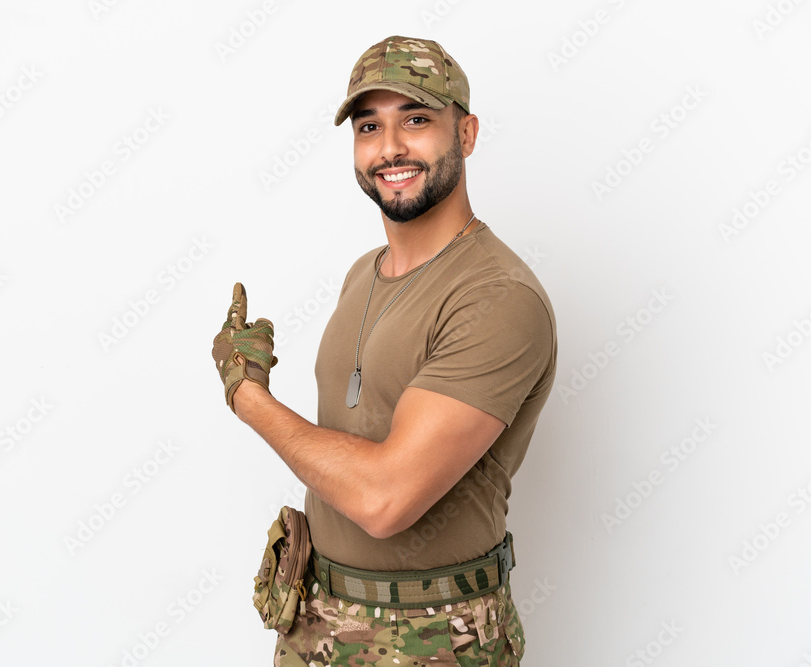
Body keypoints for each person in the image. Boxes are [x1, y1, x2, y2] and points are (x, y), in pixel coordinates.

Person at [213, 35, 557, 666]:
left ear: (468, 133)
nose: (390, 147)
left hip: (433, 641)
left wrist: (250, 398)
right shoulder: (362, 274)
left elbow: (385, 498)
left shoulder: (496, 298)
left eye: (417, 120)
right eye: (369, 126)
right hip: (315, 625)